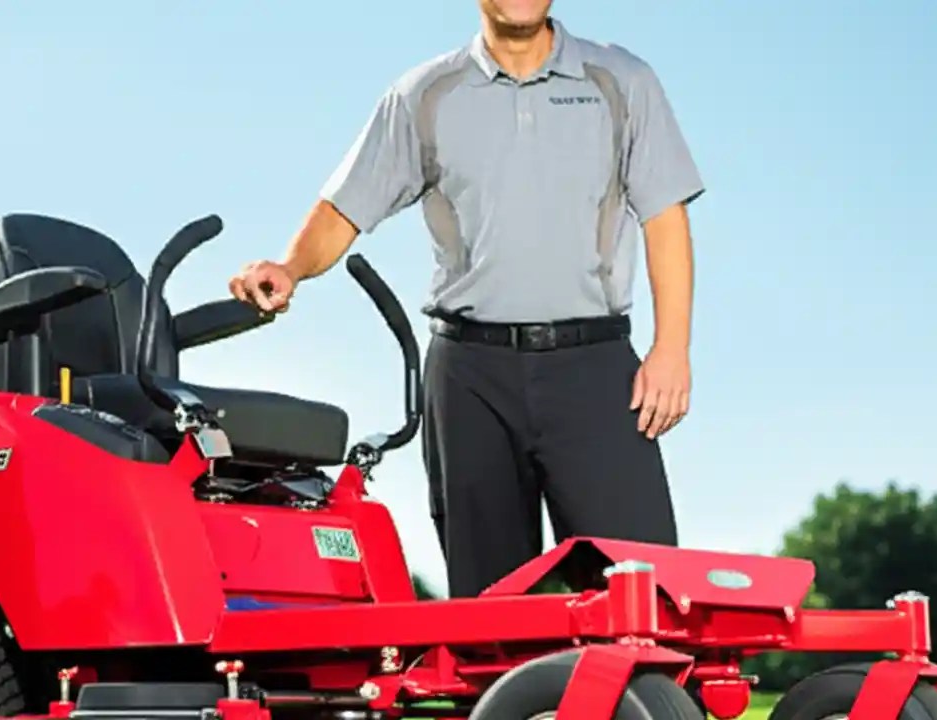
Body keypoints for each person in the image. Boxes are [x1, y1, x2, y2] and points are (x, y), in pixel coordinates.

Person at [228, 0, 704, 598]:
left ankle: (645, 694)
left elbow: (665, 217)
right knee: (490, 606)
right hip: (471, 378)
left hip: (595, 370)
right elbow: (344, 208)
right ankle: (512, 697)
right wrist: (291, 266)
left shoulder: (621, 81)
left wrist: (672, 349)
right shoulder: (425, 94)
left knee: (641, 591)